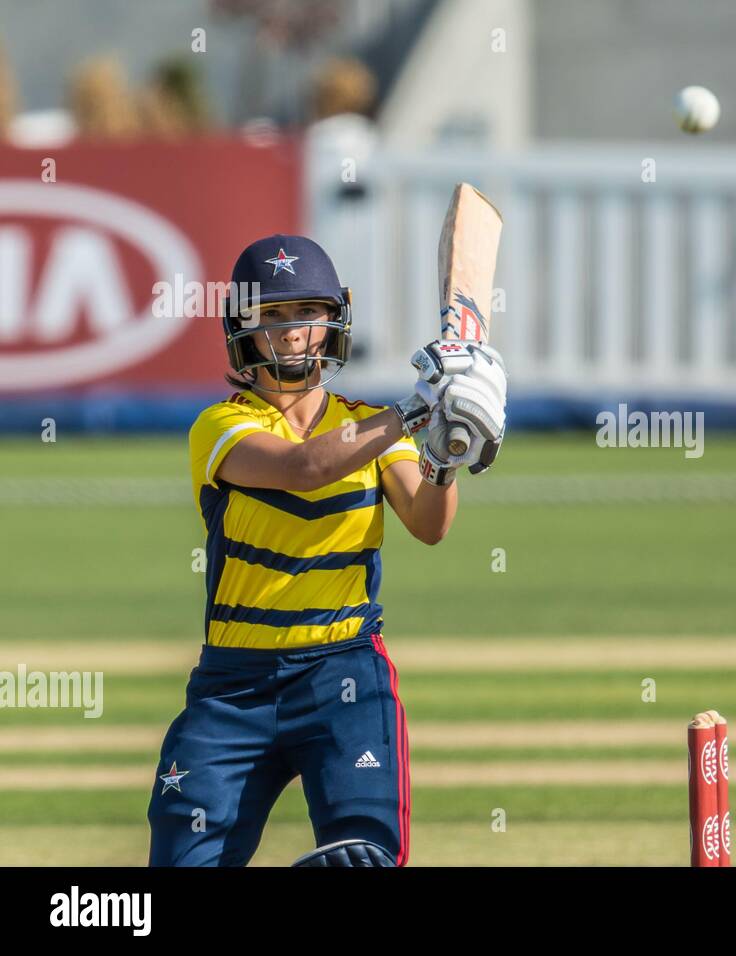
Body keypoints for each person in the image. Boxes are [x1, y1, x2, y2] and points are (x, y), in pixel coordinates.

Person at [147, 234, 506, 866]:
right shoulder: (222, 426)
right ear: (244, 323)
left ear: (333, 320)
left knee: (363, 857)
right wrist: (418, 410)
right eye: (274, 315)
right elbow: (304, 466)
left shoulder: (366, 423)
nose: (292, 332)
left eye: (308, 313)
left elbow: (428, 523)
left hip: (344, 675)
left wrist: (448, 454)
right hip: (232, 689)